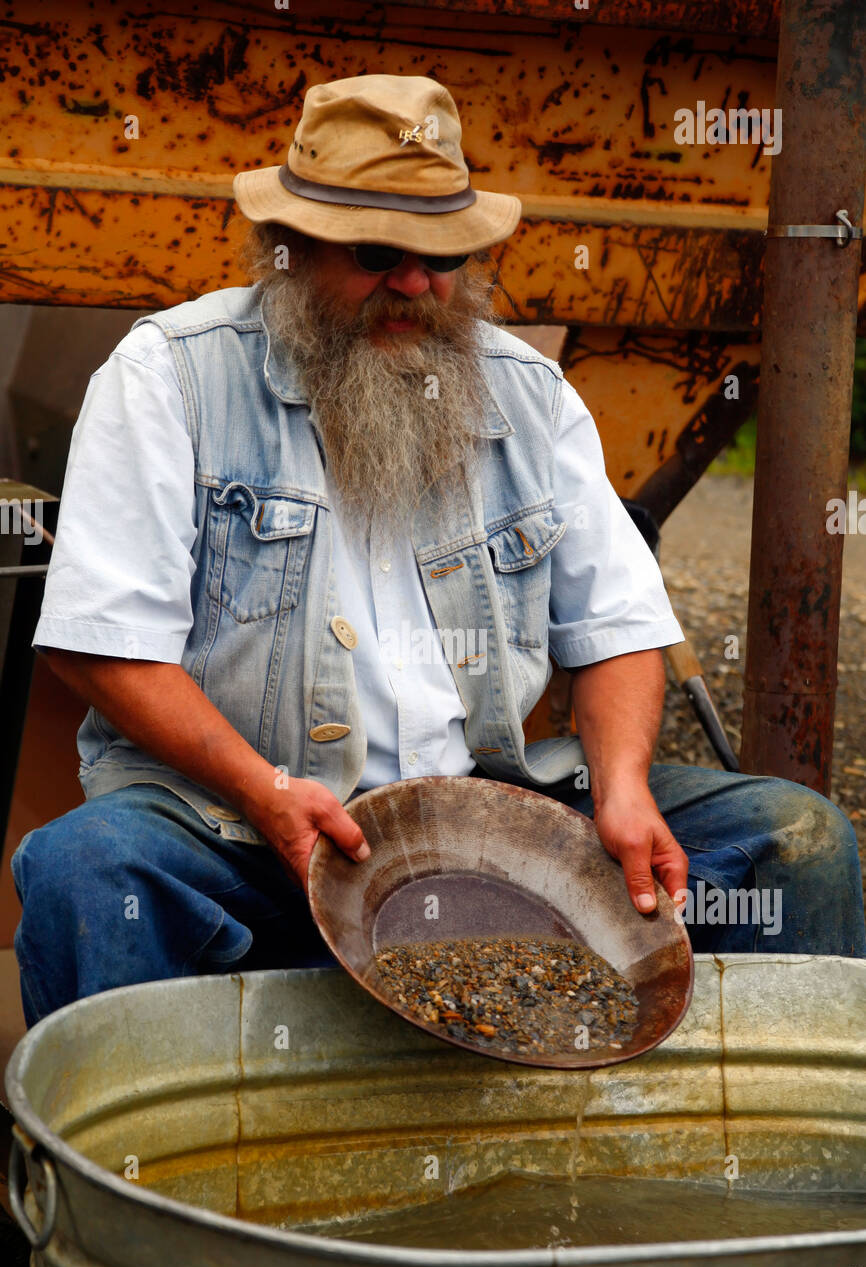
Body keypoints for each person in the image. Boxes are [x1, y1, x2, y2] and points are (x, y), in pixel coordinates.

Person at [11, 74, 864, 1027]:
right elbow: (103, 641)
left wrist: (621, 787)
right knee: (86, 870)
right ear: (288, 251)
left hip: (488, 825)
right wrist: (266, 792)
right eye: (381, 254)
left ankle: (761, 1147)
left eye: (443, 255)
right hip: (242, 828)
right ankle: (125, 1161)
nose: (416, 285)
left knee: (797, 841)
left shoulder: (528, 395)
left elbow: (617, 625)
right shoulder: (169, 377)